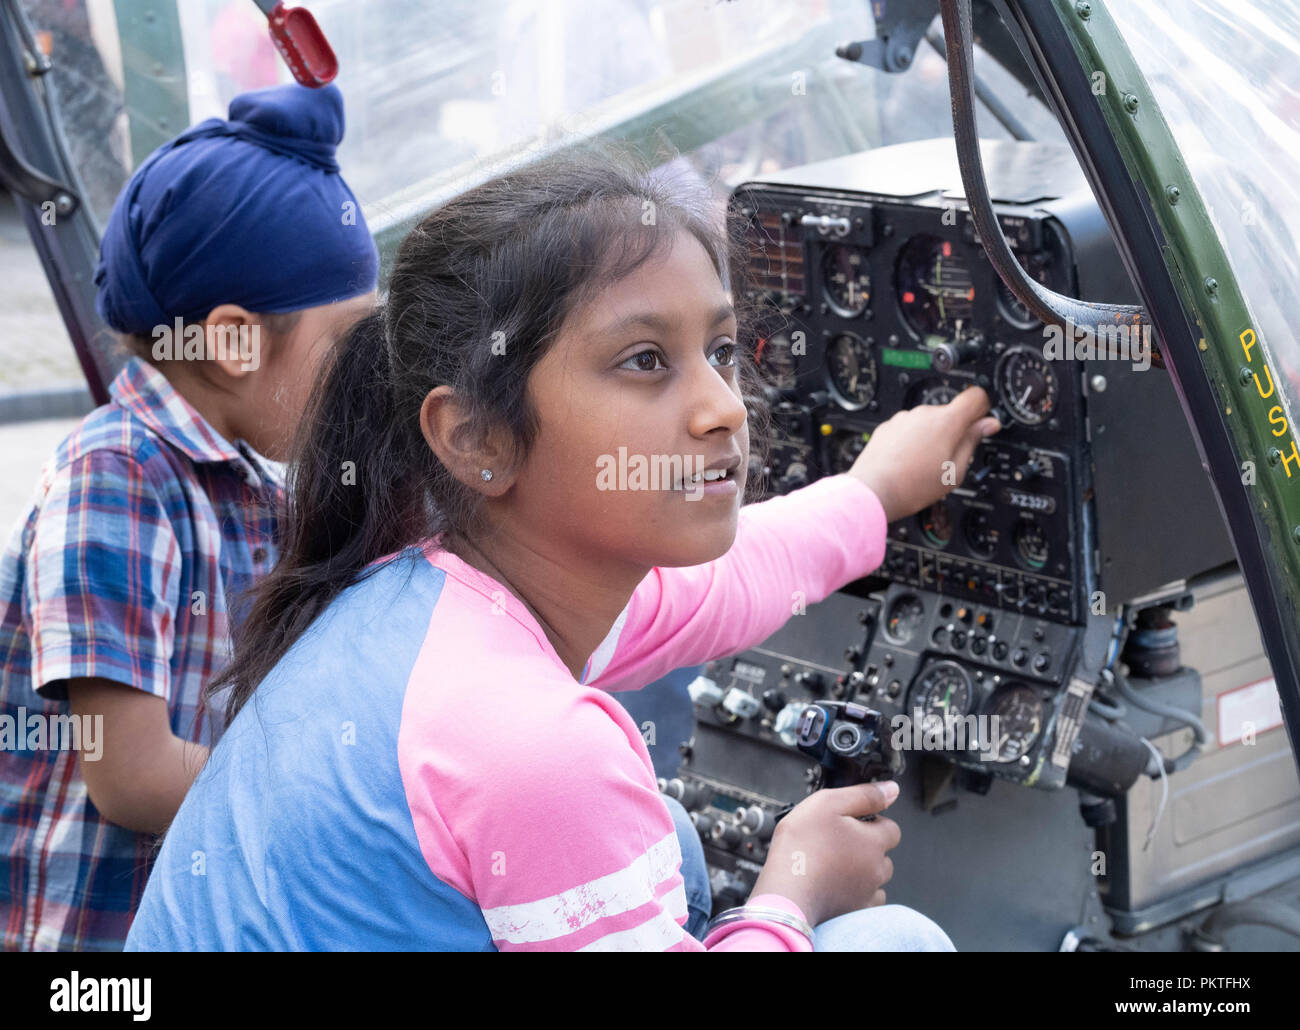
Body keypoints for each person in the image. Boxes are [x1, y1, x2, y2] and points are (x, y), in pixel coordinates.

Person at [124, 144, 996, 952]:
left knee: (674, 841)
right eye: (646, 359)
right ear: (474, 437)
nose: (724, 406)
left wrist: (875, 490)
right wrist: (791, 894)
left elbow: (731, 582)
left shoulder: (422, 590)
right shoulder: (530, 745)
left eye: (721, 349)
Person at [0, 82, 378, 951]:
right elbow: (130, 775)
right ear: (235, 343)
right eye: (349, 339)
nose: (369, 372)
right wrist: (341, 807)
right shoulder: (117, 476)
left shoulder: (254, 480)